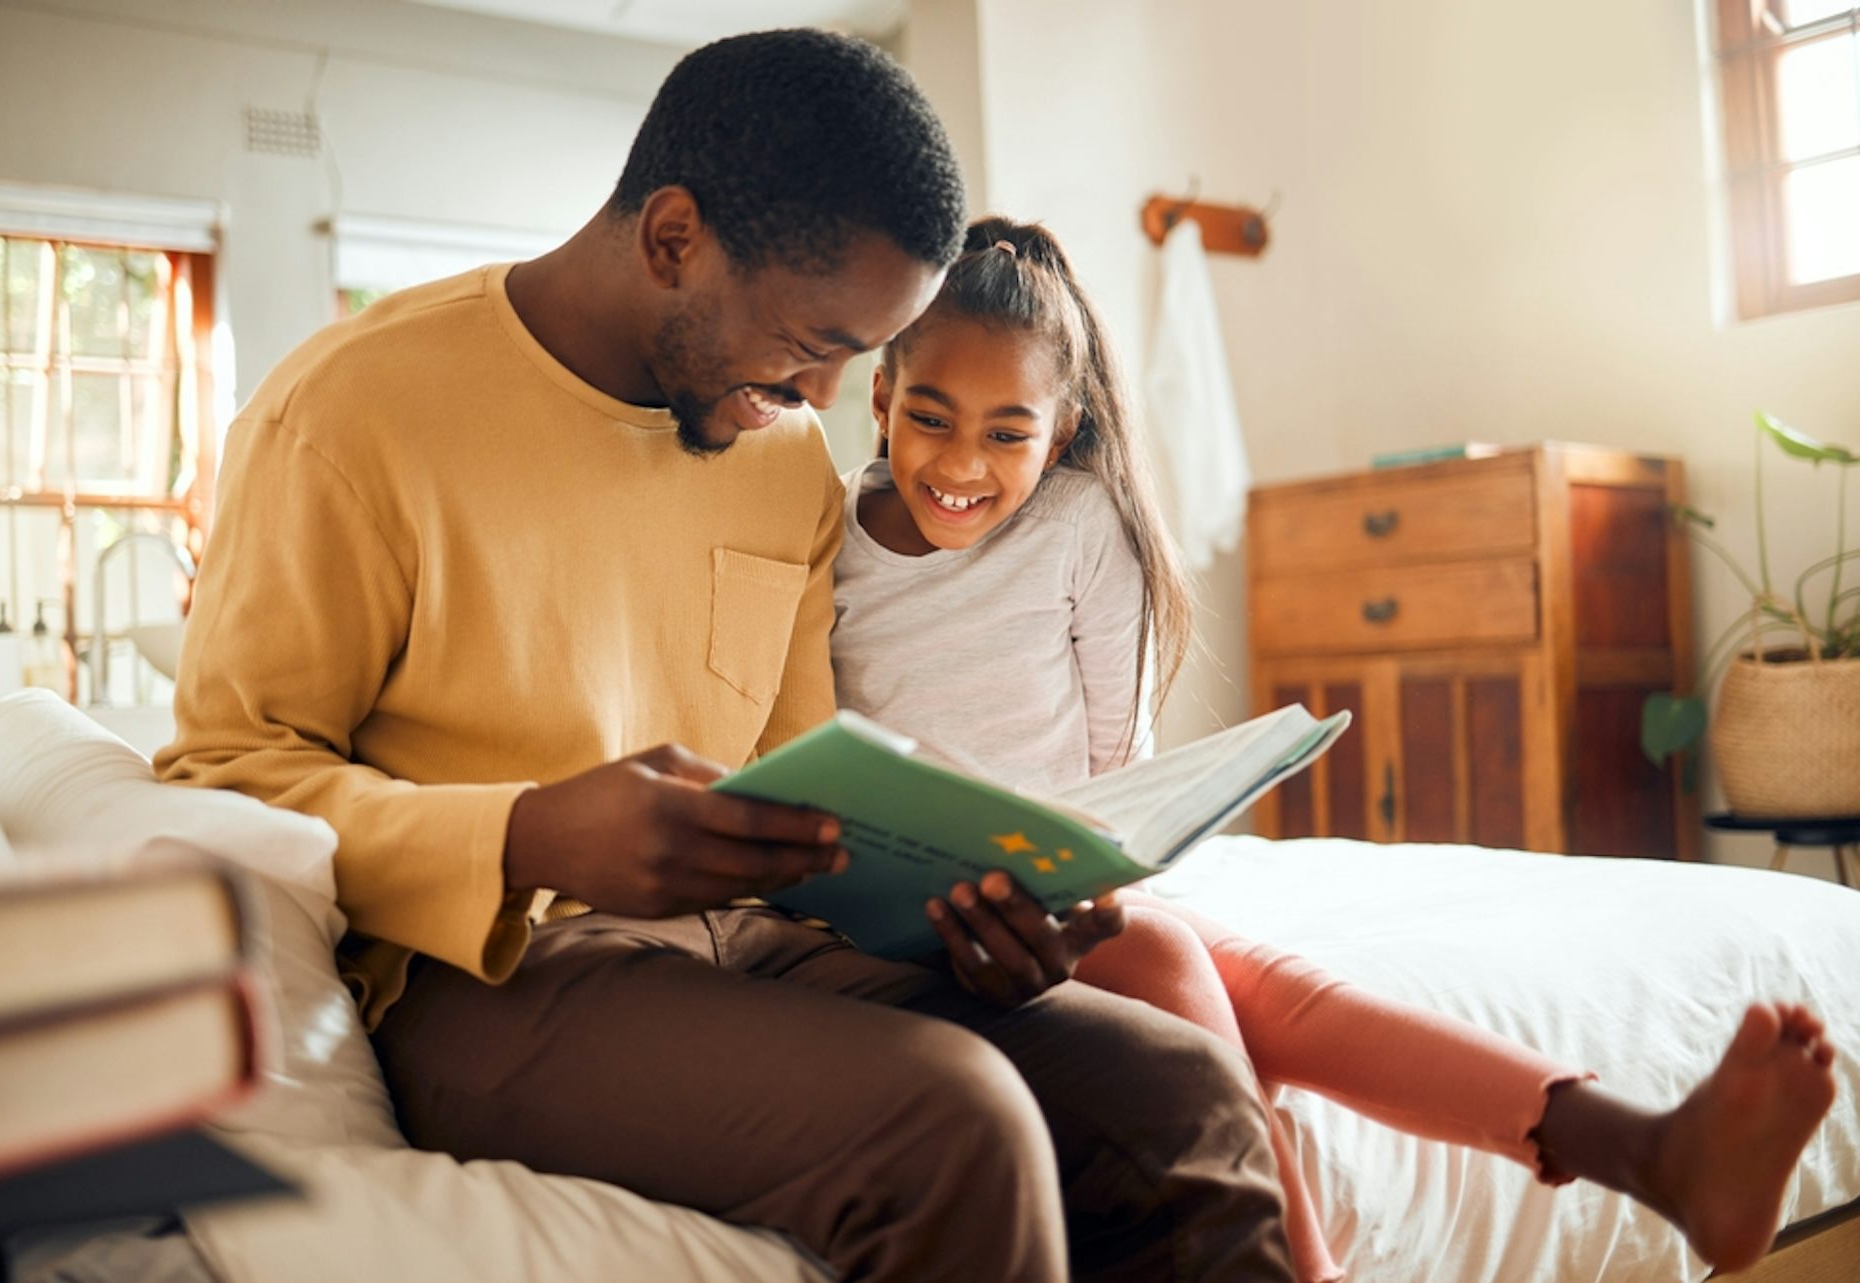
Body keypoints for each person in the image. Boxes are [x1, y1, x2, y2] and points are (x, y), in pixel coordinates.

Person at [159, 30, 1296, 1283]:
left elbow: (810, 776)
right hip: (492, 972)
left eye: (855, 355)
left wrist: (959, 918)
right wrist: (528, 832)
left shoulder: (771, 451)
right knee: (953, 1119)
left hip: (761, 941)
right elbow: (228, 771)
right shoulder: (350, 412)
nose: (821, 394)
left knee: (1177, 1088)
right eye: (808, 340)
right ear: (672, 238)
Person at [831, 215, 1842, 1281]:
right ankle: (1613, 1157)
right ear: (884, 396)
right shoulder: (831, 532)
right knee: (1196, 969)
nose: (960, 462)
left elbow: (1116, 772)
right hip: (913, 911)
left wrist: (1085, 881)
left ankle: (1654, 1148)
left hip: (1057, 884)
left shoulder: (1083, 523)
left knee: (1263, 990)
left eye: (1007, 433)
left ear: (1062, 425)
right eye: (931, 417)